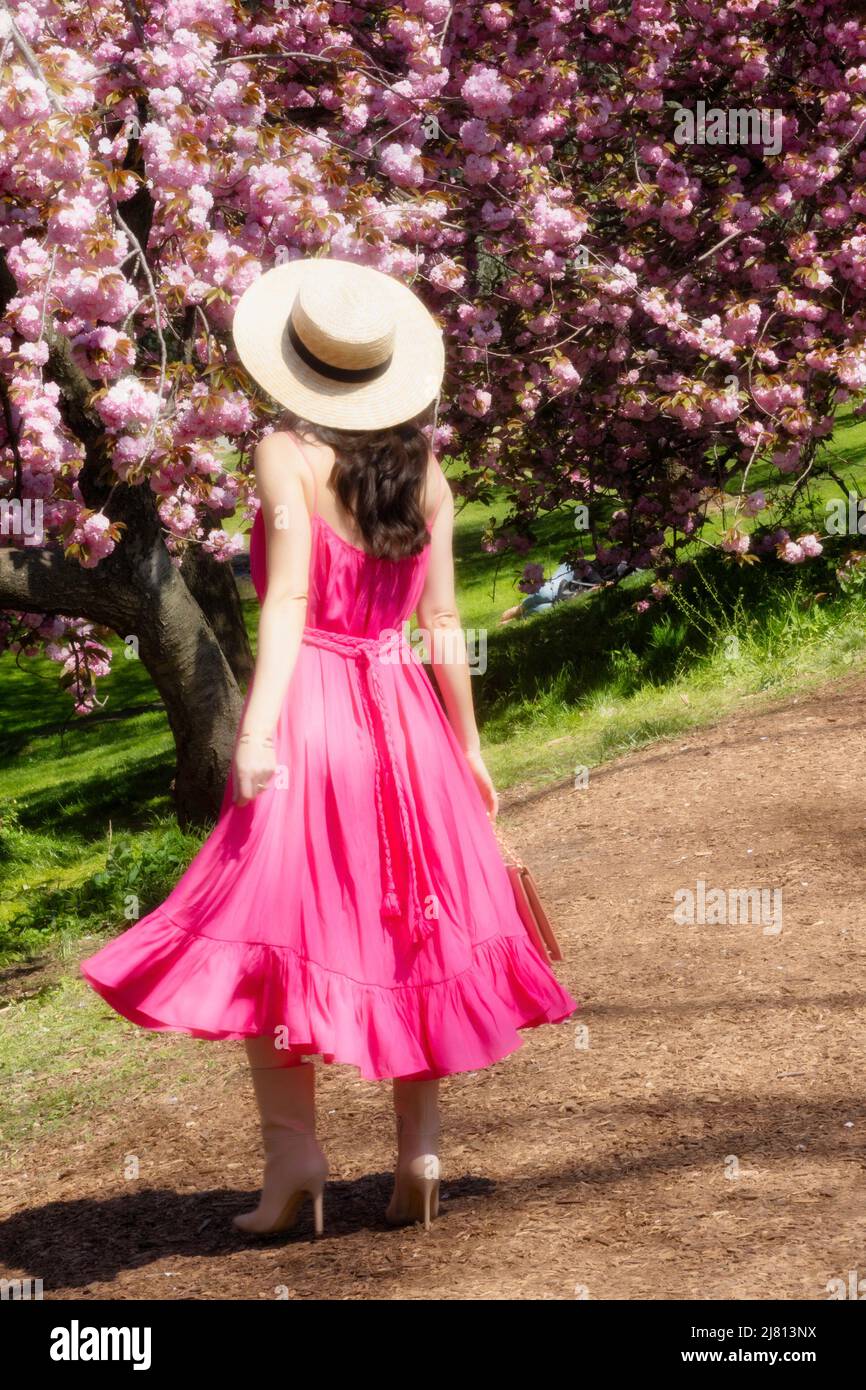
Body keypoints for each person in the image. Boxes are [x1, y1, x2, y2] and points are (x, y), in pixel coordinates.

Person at [80, 257, 578, 1237]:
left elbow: (294, 604)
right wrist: (470, 750)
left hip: (312, 710)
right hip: (404, 718)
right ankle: (419, 1150)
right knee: (417, 929)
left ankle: (295, 1165)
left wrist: (255, 731)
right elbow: (441, 623)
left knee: (274, 934)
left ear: (299, 367)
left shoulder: (285, 454)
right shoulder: (425, 474)